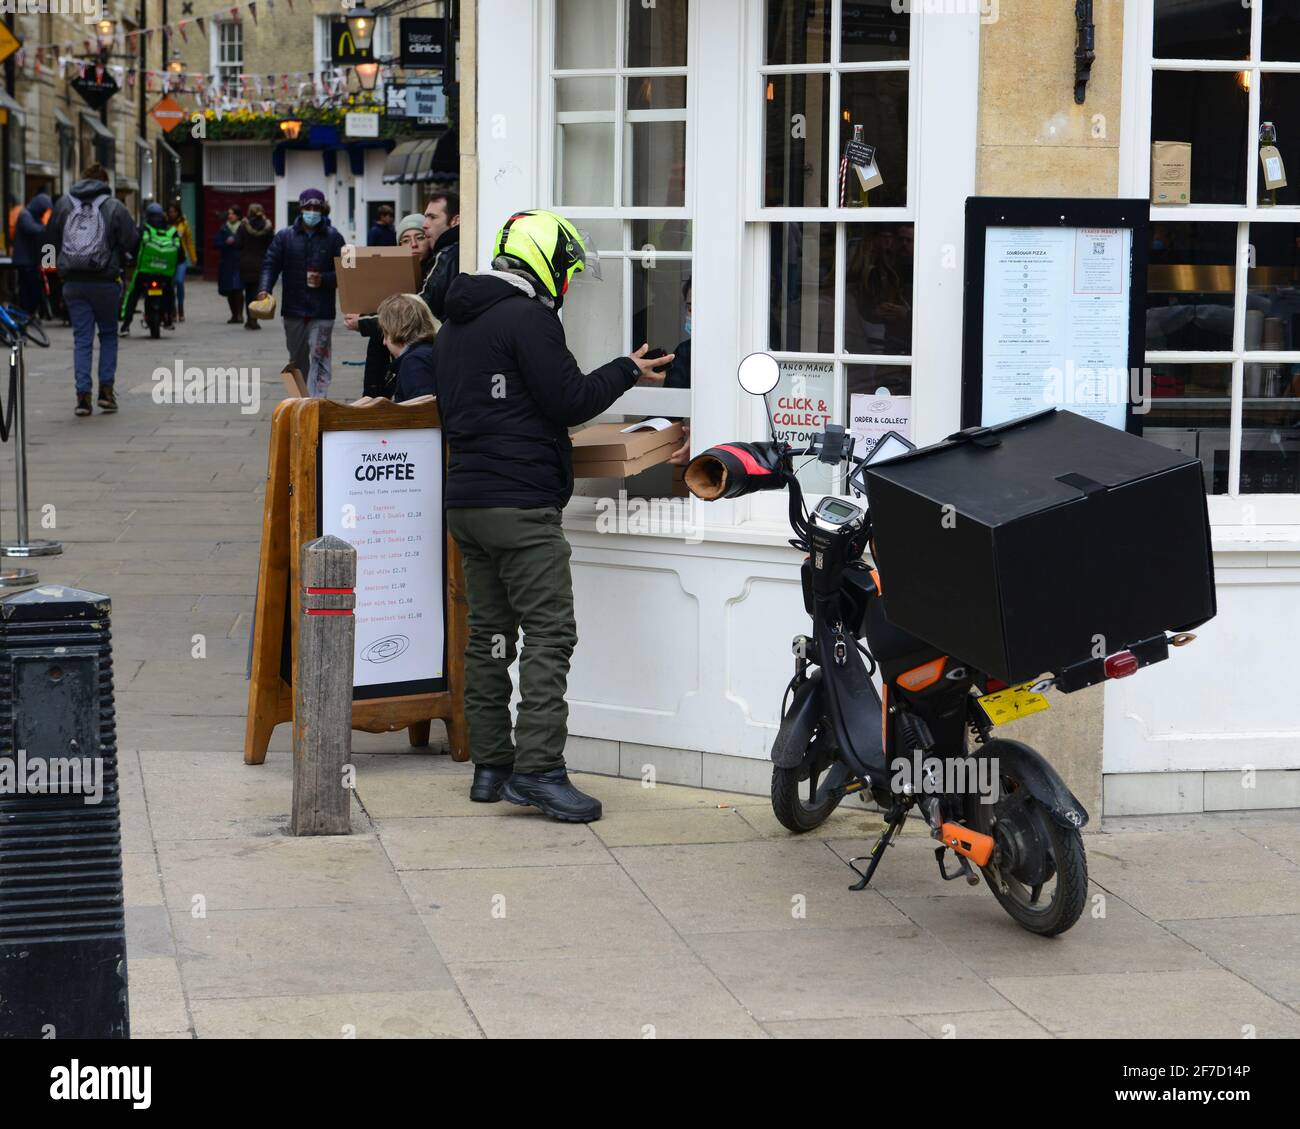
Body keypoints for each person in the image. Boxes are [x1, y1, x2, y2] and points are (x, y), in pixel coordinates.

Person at [431, 209, 670, 822]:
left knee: (489, 635)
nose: (566, 282)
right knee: (548, 633)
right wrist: (627, 369)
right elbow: (569, 401)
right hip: (520, 505)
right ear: (547, 263)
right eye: (566, 268)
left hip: (467, 503)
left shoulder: (458, 323)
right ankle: (539, 770)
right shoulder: (528, 319)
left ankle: (491, 767)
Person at [47, 162, 138, 417]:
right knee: (108, 335)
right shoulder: (115, 206)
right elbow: (131, 242)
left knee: (82, 339)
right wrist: (125, 258)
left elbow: (48, 242)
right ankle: (106, 393)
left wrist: (51, 275)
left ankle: (83, 397)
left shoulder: (64, 204)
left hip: (73, 283)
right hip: (106, 282)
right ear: (104, 181)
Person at [256, 188, 347, 397]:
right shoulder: (284, 237)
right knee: (297, 358)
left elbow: (347, 272)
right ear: (301, 208)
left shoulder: (334, 238)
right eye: (308, 207)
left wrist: (324, 279)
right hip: (293, 310)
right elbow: (270, 264)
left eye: (317, 207)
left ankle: (317, 404)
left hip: (322, 311)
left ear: (323, 210)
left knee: (320, 357)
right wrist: (264, 289)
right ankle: (300, 399)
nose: (312, 211)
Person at [344, 213, 432, 397]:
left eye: (420, 238)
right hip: (386, 352)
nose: (413, 245)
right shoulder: (395, 272)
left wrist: (362, 323)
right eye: (405, 240)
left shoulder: (433, 272)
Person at [120, 202, 182, 335]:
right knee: (169, 292)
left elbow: (134, 245)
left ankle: (126, 325)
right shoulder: (171, 230)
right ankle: (168, 319)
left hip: (145, 271)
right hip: (165, 272)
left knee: (133, 294)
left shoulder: (144, 228)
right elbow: (180, 252)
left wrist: (130, 259)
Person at [377, 293, 438, 402]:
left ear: (394, 329)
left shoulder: (414, 362)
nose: (384, 342)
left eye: (385, 333)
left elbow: (423, 410)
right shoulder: (430, 351)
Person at [418, 190, 460, 321]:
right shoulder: (458, 248)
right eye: (425, 217)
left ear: (455, 221)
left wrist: (365, 322)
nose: (424, 224)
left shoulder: (445, 255)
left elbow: (422, 307)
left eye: (432, 217)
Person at [234, 202, 273, 330]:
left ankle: (250, 319)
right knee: (257, 292)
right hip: (261, 263)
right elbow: (272, 245)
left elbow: (238, 244)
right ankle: (254, 319)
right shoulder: (267, 226)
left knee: (248, 292)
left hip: (246, 263)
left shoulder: (243, 226)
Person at [12, 192, 51, 317]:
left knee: (31, 288)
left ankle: (27, 313)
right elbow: (31, 229)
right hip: (25, 261)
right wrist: (46, 229)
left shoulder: (32, 216)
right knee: (28, 289)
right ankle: (25, 313)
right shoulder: (25, 215)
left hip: (29, 260)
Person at [166, 202, 197, 322]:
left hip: (180, 259)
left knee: (179, 282)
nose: (172, 214)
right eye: (170, 212)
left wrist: (193, 257)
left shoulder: (183, 223)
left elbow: (189, 241)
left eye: (174, 211)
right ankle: (172, 310)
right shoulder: (165, 223)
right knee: (170, 284)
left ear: (178, 212)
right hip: (169, 258)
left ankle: (181, 308)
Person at [214, 205, 245, 323]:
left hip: (239, 261)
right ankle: (233, 315)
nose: (230, 215)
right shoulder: (224, 228)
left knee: (238, 288)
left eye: (233, 213)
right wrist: (226, 243)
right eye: (229, 213)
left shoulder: (243, 227)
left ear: (238, 216)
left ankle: (240, 315)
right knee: (229, 290)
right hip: (227, 262)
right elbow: (216, 243)